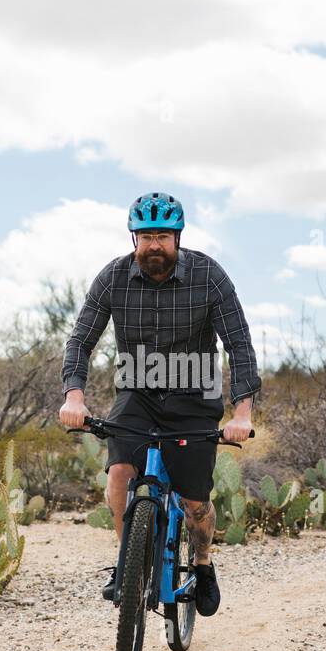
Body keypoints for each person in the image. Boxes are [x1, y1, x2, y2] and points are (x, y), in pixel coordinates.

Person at [57, 192, 260, 616]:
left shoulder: (209, 276)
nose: (154, 245)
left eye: (163, 236)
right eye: (146, 236)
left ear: (178, 238)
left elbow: (238, 344)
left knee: (194, 503)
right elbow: (80, 341)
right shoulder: (112, 278)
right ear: (134, 238)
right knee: (119, 473)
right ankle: (127, 564)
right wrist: (74, 396)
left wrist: (242, 413)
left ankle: (203, 565)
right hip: (137, 392)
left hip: (195, 394)